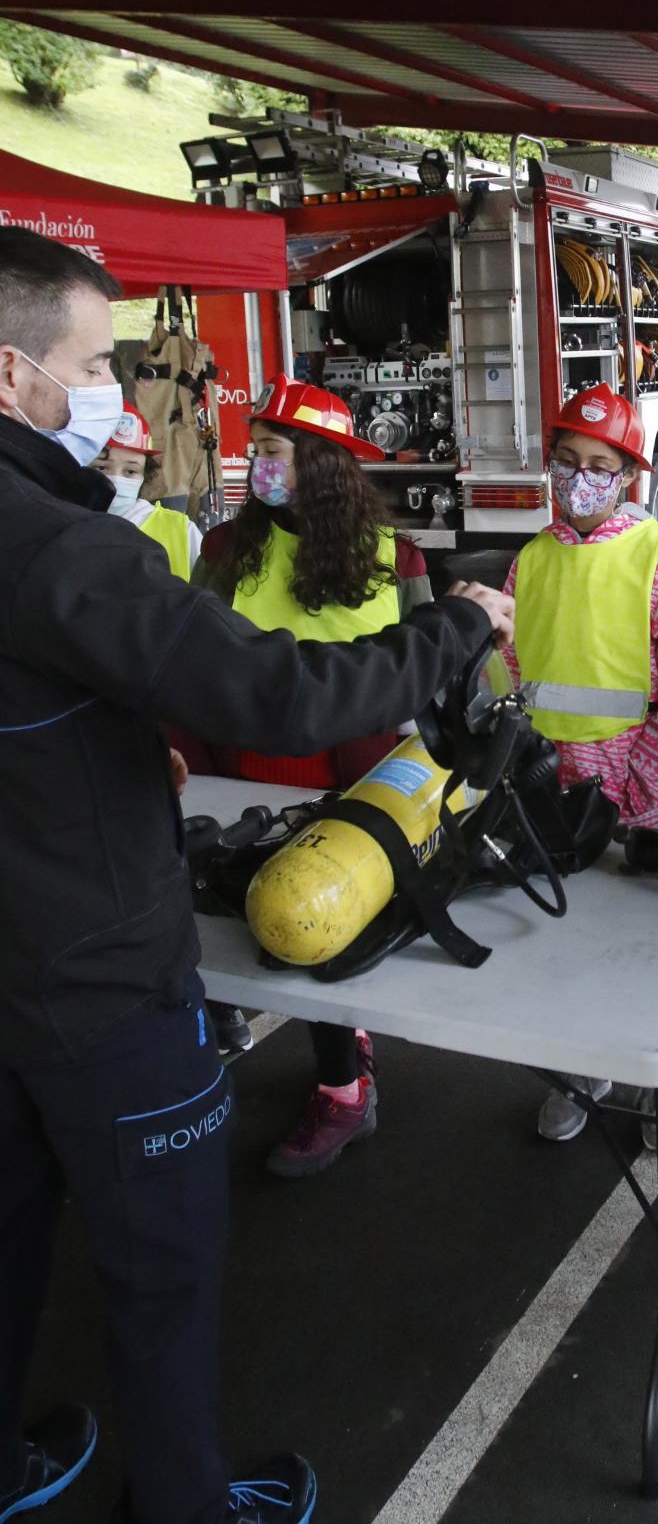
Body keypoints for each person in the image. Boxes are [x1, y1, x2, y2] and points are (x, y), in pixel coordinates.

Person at [0, 227, 511, 1524]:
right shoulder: (56, 546)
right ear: (12, 374)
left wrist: (100, 750)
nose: (112, 391)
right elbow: (273, 693)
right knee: (161, 1262)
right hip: (94, 978)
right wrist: (453, 630)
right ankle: (183, 1504)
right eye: (94, 365)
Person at [185, 374, 435, 1177]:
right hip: (241, 772)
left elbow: (431, 677)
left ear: (322, 465)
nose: (258, 465)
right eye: (256, 450)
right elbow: (190, 663)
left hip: (345, 784)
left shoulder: (396, 557)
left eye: (273, 451)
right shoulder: (224, 549)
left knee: (320, 934)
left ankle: (343, 1088)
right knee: (237, 923)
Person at [501, 383, 658, 1143]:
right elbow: (511, 675)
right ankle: (577, 1074)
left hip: (633, 800)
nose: (579, 479)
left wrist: (636, 786)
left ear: (628, 476)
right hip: (544, 796)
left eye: (599, 466)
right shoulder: (531, 560)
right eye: (567, 461)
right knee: (556, 948)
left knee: (642, 958)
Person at [90, 404, 202, 579]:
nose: (115, 481)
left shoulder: (182, 531)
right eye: (101, 468)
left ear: (145, 475)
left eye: (130, 471)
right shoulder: (61, 526)